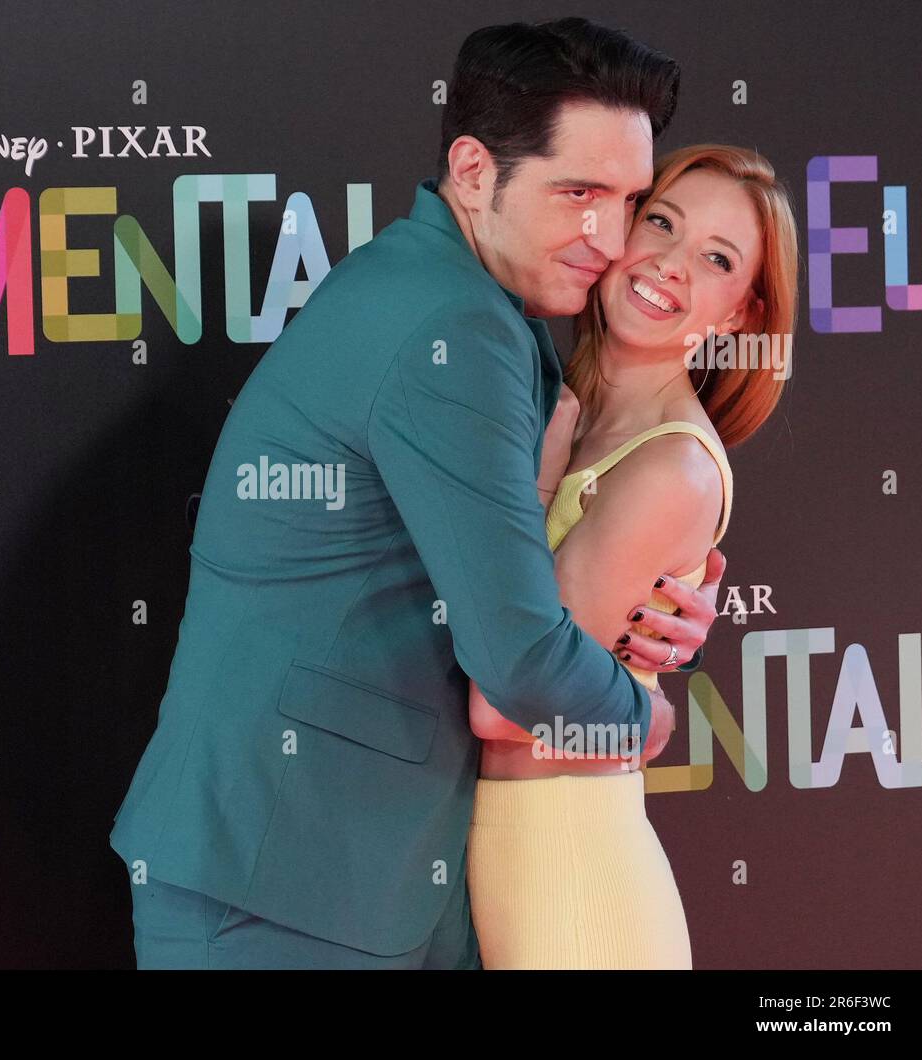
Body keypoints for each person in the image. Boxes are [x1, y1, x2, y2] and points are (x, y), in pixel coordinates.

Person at [109, 18, 725, 969]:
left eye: (631, 199)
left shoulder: (463, 297)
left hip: (357, 876)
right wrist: (647, 715)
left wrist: (625, 607)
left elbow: (505, 578)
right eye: (579, 193)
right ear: (475, 170)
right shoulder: (456, 325)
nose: (610, 237)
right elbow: (520, 658)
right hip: (285, 887)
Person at [467, 143, 798, 968]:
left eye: (716, 259)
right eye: (661, 223)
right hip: (493, 870)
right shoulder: (546, 394)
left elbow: (507, 708)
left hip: (574, 889)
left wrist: (538, 496)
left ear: (741, 316)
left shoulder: (671, 468)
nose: (670, 265)